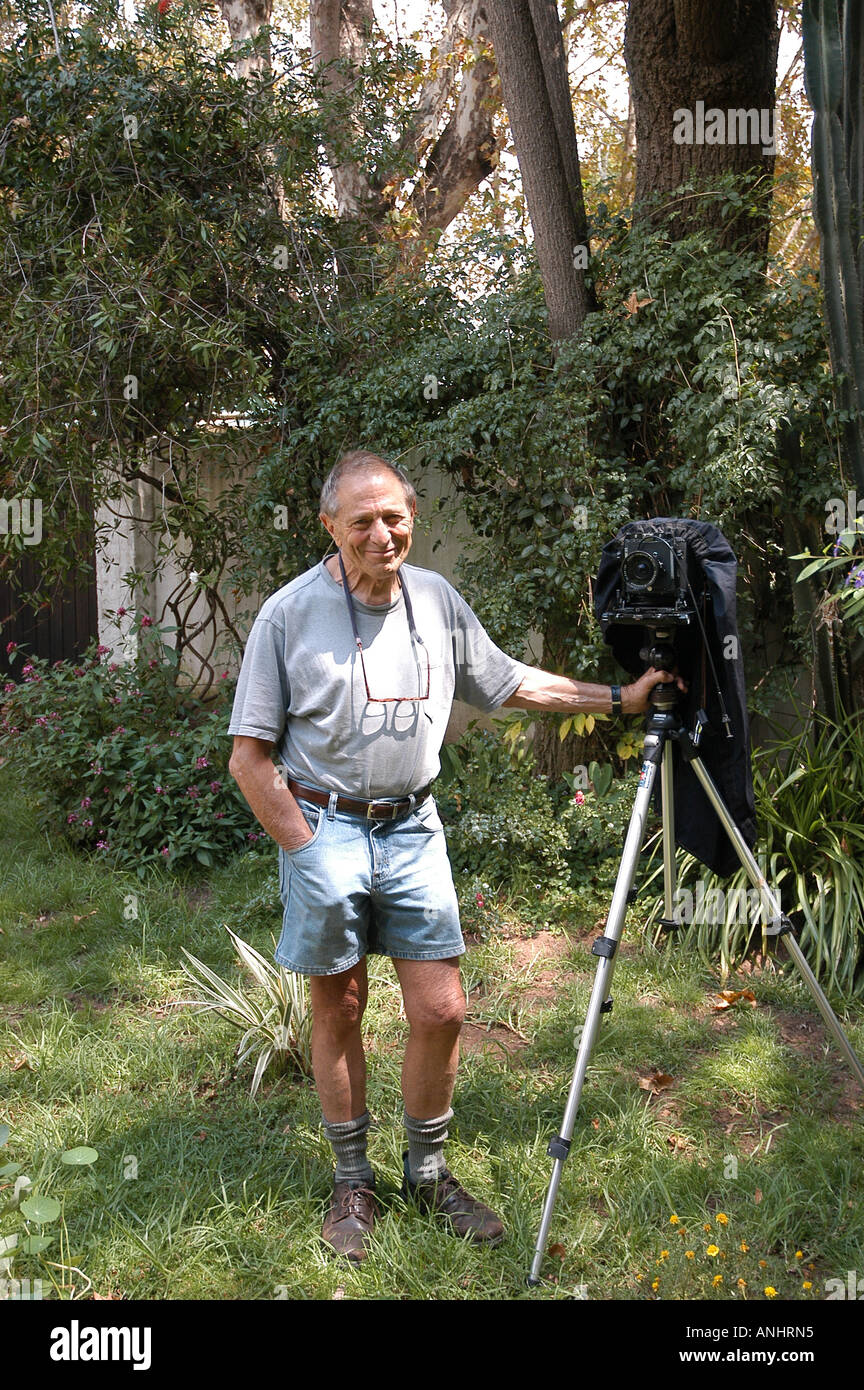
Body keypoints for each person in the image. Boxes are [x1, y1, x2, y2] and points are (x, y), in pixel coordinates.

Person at [227, 449, 678, 1264]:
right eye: (361, 520)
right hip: (325, 826)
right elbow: (249, 759)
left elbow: (507, 684)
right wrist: (305, 848)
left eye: (393, 516)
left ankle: (428, 1173)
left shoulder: (434, 599)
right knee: (343, 1008)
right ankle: (352, 1180)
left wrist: (617, 697)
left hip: (411, 828)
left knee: (441, 1010)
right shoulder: (287, 615)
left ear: (412, 518)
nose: (380, 533)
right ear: (329, 525)